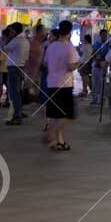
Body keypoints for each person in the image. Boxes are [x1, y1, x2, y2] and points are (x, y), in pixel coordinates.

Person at [42, 20, 80, 151]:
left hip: (51, 83)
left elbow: (46, 64)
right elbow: (71, 66)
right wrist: (78, 64)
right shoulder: (69, 47)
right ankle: (53, 131)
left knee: (56, 114)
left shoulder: (51, 46)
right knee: (69, 115)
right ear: (69, 32)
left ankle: (61, 142)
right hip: (64, 85)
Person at [2, 24, 29, 125]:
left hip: (13, 68)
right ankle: (18, 113)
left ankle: (17, 116)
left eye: (10, 30)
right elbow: (26, 58)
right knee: (17, 92)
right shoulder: (26, 41)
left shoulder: (16, 40)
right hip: (21, 67)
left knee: (14, 93)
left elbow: (5, 48)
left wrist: (9, 37)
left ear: (13, 30)